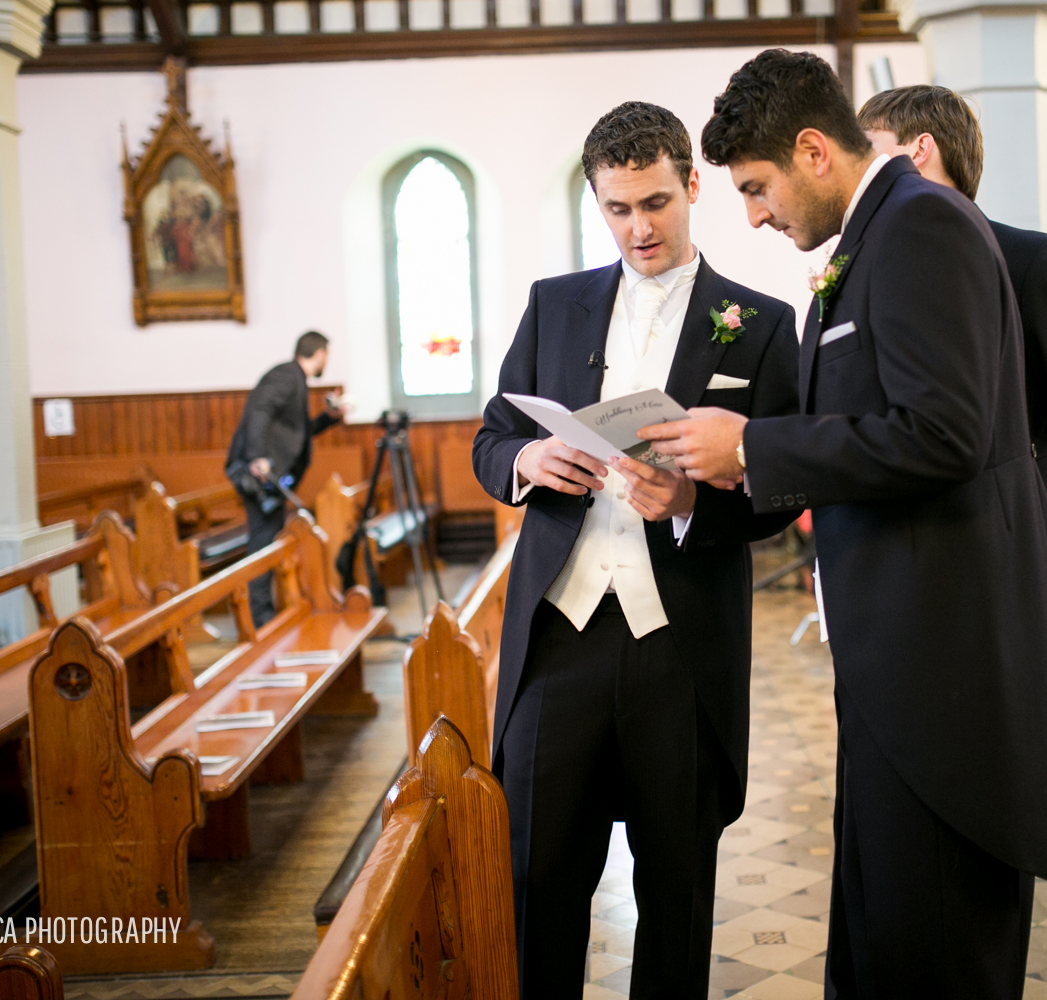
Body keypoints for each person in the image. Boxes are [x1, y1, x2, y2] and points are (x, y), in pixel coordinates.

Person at [642, 51, 1047, 997]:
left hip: (946, 667)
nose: (756, 214)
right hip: (899, 656)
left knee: (933, 946)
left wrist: (757, 447)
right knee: (885, 935)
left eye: (757, 187)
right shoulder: (878, 235)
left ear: (813, 150)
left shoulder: (923, 228)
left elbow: (943, 433)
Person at [470, 102, 799, 999]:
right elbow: (490, 441)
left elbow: (785, 489)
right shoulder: (554, 305)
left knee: (677, 888)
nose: (639, 228)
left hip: (680, 647)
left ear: (693, 186)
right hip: (559, 639)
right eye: (618, 209)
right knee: (538, 878)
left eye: (655, 202)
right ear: (596, 203)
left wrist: (692, 501)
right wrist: (531, 459)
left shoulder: (761, 323)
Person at [858, 84, 1047, 770]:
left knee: (1015, 754)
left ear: (921, 150)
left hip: (1018, 549)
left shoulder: (1033, 261)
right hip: (922, 566)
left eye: (871, 152)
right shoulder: (877, 270)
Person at [225, 330, 343, 626]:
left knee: (269, 539)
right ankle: (258, 617)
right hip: (259, 474)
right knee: (262, 542)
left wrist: (329, 417)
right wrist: (256, 456)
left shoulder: (296, 380)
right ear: (319, 354)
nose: (326, 360)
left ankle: (264, 613)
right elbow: (258, 410)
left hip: (273, 475)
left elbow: (297, 435)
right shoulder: (285, 375)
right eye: (326, 355)